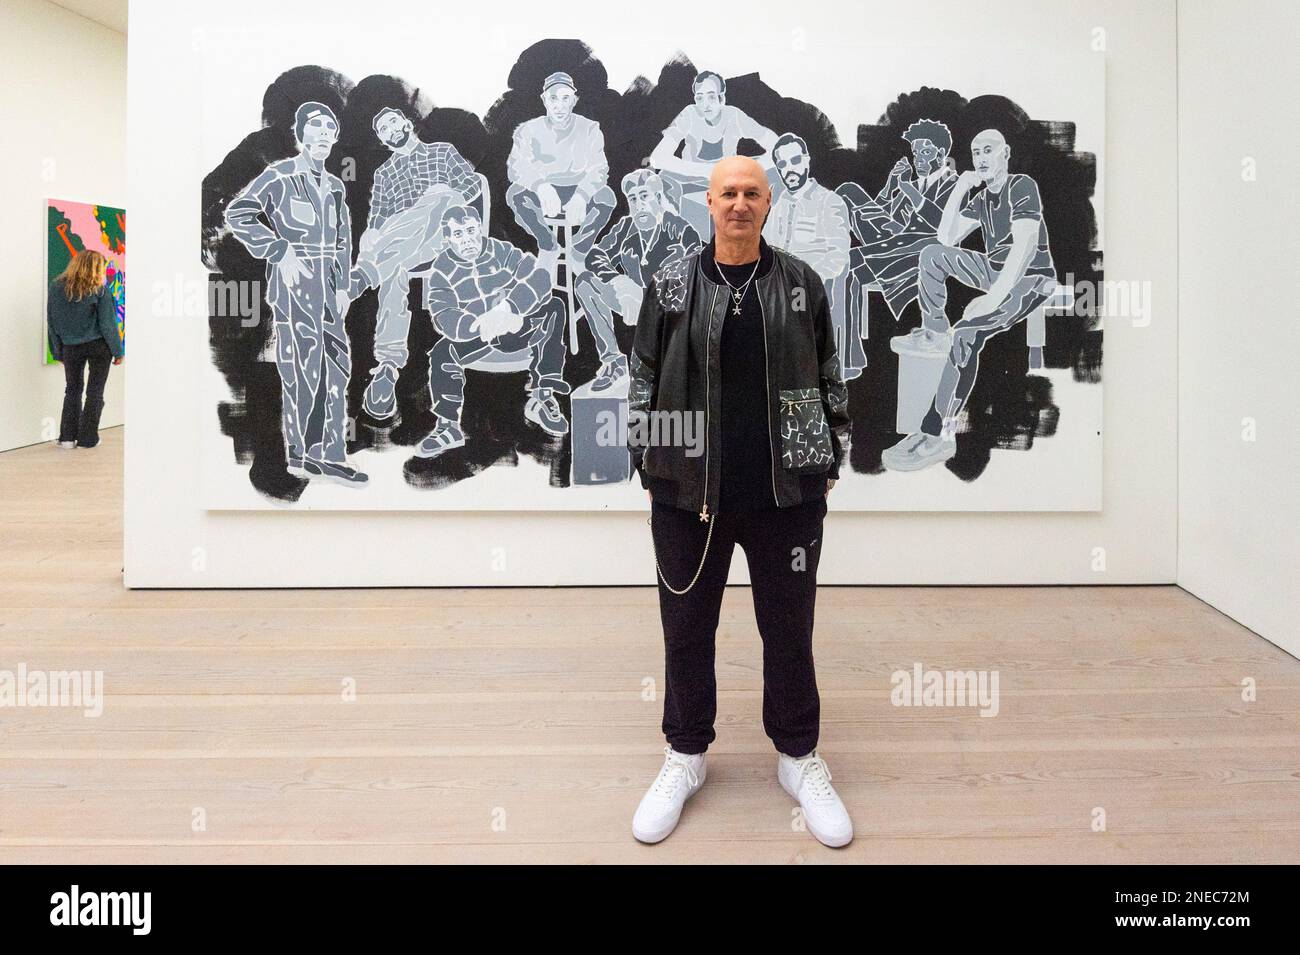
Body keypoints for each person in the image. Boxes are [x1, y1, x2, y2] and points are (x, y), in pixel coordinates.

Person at [626, 155, 854, 847]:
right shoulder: (671, 285)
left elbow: (828, 376)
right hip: (687, 495)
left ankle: (798, 757)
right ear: (708, 200)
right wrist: (651, 460)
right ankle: (686, 755)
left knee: (788, 631)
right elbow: (641, 375)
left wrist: (829, 459)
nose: (739, 203)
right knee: (687, 629)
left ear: (769, 202)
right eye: (728, 192)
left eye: (752, 193)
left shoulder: (799, 284)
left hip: (786, 496)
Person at [882, 128, 1057, 472]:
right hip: (995, 269)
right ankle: (933, 329)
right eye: (976, 153)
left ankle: (939, 434)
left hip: (1032, 278)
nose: (981, 159)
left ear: (1005, 153)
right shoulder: (983, 197)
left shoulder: (1021, 186)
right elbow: (946, 236)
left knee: (966, 334)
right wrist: (961, 188)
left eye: (988, 150)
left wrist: (992, 299)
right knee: (932, 254)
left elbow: (1022, 251)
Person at [224, 101, 371, 485]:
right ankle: (305, 454)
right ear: (301, 133)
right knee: (303, 368)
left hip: (329, 287)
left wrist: (342, 286)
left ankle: (331, 452)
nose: (324, 133)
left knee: (337, 366)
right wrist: (278, 249)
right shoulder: (280, 175)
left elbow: (343, 241)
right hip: (294, 283)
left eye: (330, 129)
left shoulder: (335, 187)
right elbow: (238, 212)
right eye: (316, 126)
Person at [352, 107, 484, 422]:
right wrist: (371, 232)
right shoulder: (384, 173)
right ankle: (386, 367)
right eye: (383, 129)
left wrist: (439, 198)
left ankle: (364, 274)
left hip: (445, 236)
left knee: (440, 195)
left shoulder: (442, 152)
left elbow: (472, 186)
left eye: (393, 122)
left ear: (407, 124)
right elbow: (379, 218)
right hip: (405, 249)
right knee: (393, 265)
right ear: (382, 140)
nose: (390, 130)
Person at [417, 204, 569, 458]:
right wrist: (475, 324)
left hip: (513, 325)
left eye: (471, 230)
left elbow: (540, 277)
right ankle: (447, 427)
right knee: (442, 351)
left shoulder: (500, 250)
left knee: (554, 305)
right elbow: (442, 314)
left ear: (480, 229)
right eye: (458, 234)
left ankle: (542, 397)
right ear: (447, 240)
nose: (468, 240)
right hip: (478, 334)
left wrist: (511, 308)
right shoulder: (441, 269)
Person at [573, 169, 702, 392]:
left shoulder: (678, 227)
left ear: (659, 199)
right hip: (631, 300)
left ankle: (671, 366)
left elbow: (699, 259)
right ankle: (614, 362)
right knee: (584, 283)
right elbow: (595, 255)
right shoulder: (626, 226)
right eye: (633, 199)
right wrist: (616, 279)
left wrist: (665, 287)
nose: (639, 204)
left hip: (668, 306)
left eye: (644, 196)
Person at [505, 71, 616, 277]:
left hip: (577, 190)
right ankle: (548, 245)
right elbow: (516, 166)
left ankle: (579, 251)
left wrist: (582, 195)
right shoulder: (529, 129)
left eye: (566, 98)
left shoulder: (590, 128)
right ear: (544, 100)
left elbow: (599, 169)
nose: (560, 105)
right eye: (553, 98)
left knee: (607, 197)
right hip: (543, 192)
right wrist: (541, 186)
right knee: (515, 194)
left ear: (574, 100)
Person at [648, 70, 778, 242]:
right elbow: (657, 158)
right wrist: (706, 170)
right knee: (661, 179)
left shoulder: (734, 115)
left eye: (711, 96)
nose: (705, 104)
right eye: (699, 98)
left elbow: (777, 147)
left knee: (774, 174)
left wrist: (745, 169)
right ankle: (673, 239)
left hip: (727, 180)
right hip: (692, 179)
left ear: (722, 98)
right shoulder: (689, 114)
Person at [47, 249, 123, 449]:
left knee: (72, 390)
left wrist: (57, 350)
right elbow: (108, 324)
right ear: (96, 268)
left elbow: (52, 322)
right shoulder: (100, 290)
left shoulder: (55, 288)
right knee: (94, 392)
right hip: (99, 347)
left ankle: (66, 439)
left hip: (71, 347)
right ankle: (88, 439)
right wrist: (118, 351)